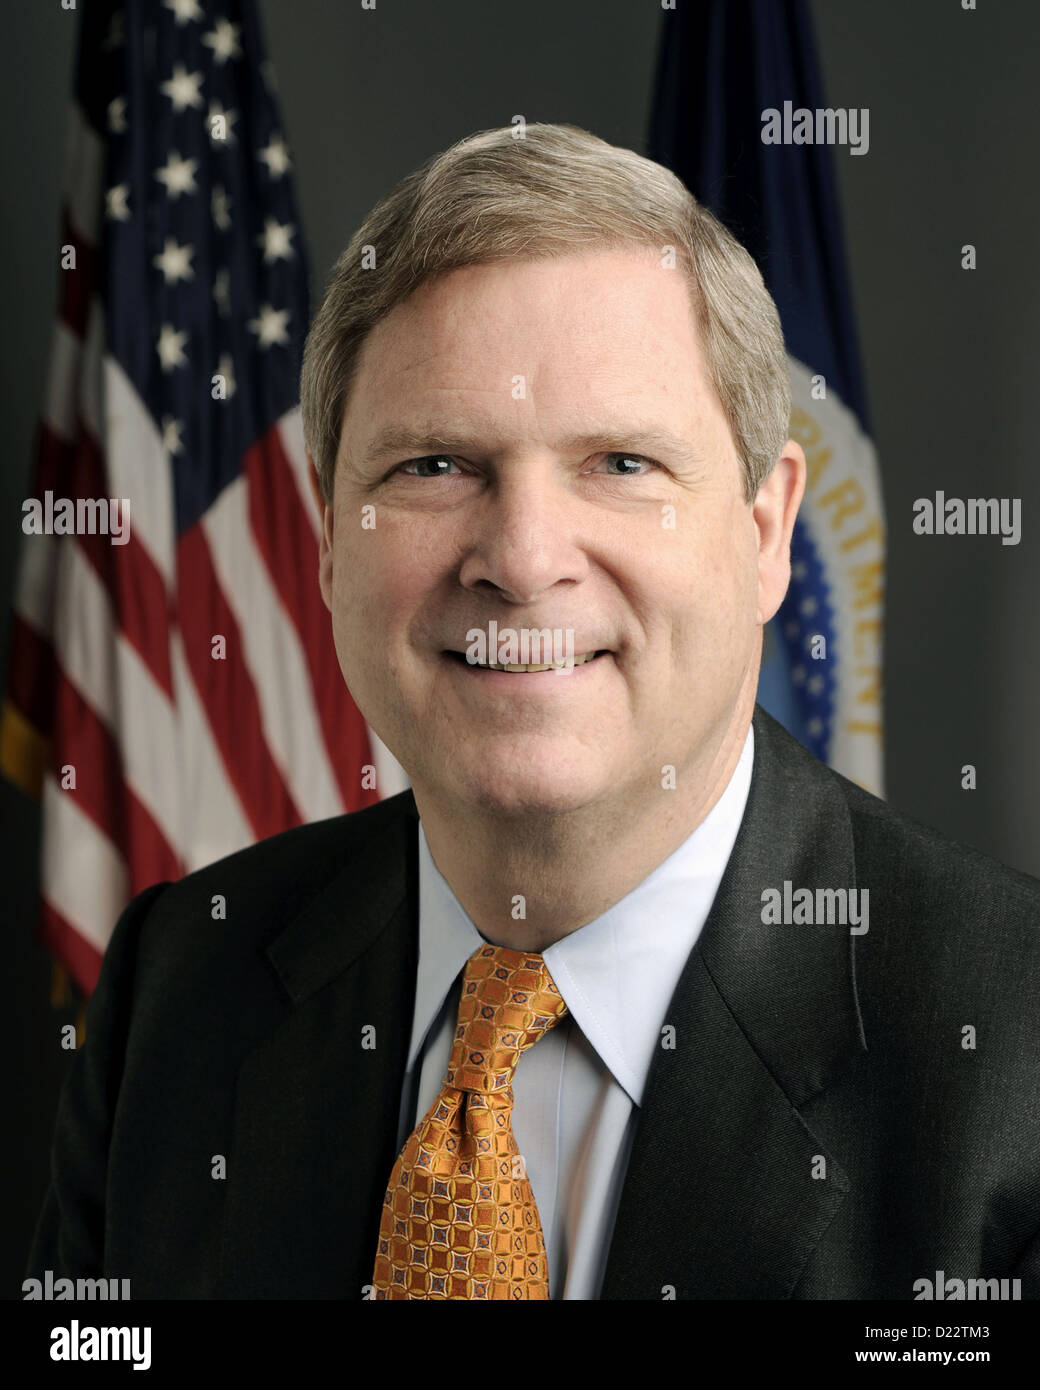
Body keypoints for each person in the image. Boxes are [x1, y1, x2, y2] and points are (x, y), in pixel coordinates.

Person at [27, 123, 1040, 1300]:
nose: (519, 557)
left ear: (764, 532)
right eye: (433, 465)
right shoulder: (179, 988)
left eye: (618, 463)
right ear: (324, 534)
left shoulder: (1009, 1052)